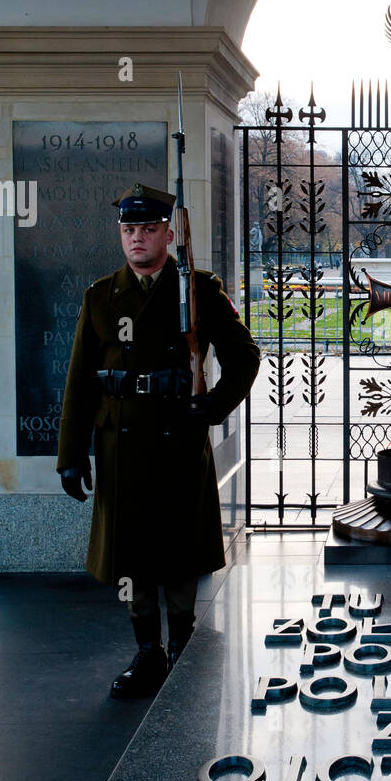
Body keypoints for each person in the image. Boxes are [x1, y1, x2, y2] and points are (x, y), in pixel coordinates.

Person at [56, 183, 261, 699]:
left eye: (148, 230)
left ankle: (183, 646)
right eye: (129, 230)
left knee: (179, 551)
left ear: (169, 234)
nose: (137, 239)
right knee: (134, 557)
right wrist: (71, 454)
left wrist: (212, 406)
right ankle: (147, 652)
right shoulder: (102, 296)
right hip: (121, 446)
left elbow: (245, 356)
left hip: (177, 438)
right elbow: (80, 381)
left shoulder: (201, 291)